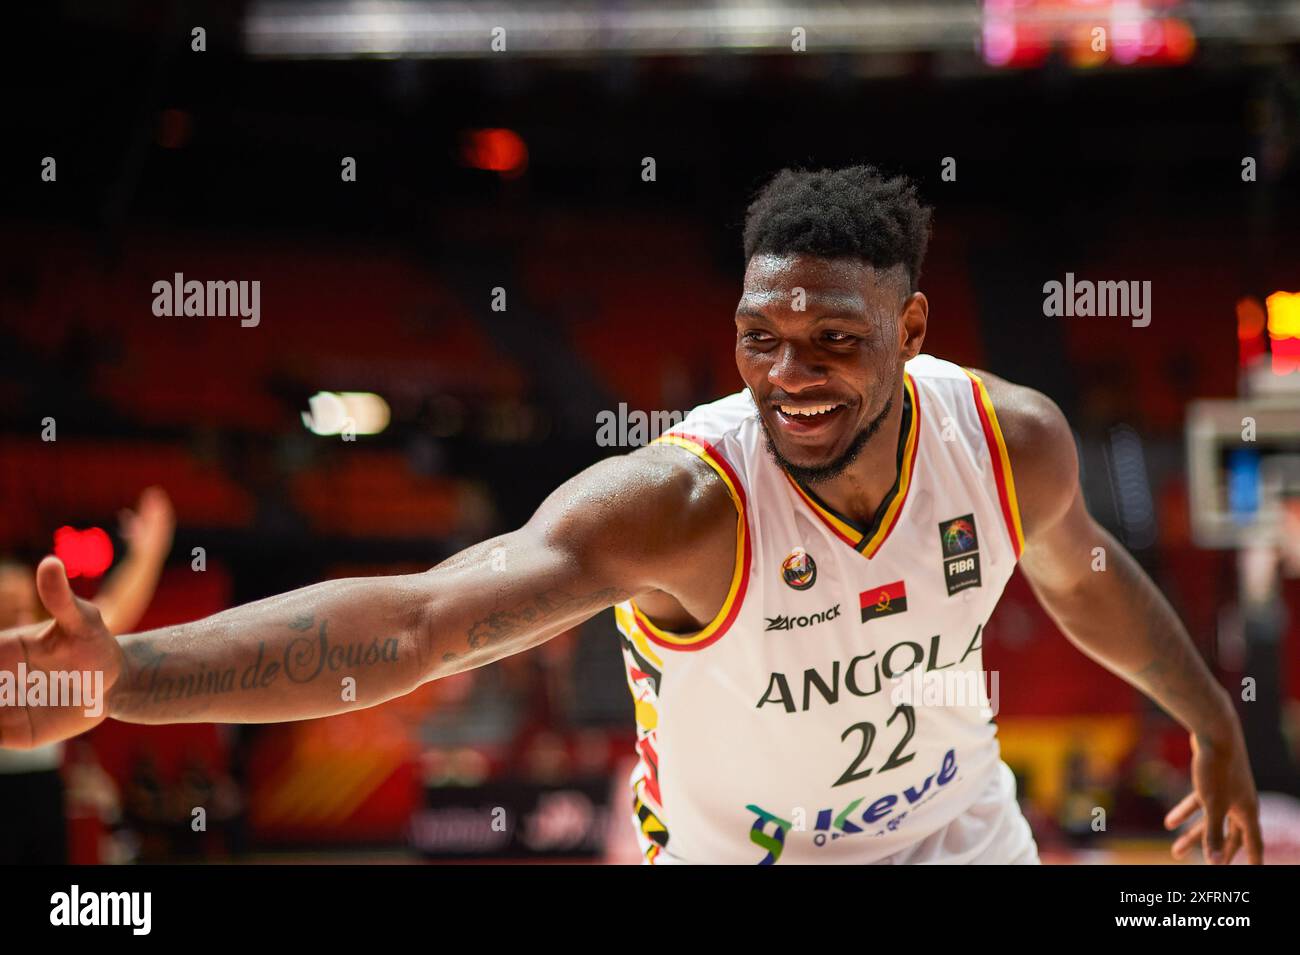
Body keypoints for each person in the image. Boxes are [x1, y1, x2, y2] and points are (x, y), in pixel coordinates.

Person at [0, 166, 1262, 865]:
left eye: (835, 340)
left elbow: (1085, 574)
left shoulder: (1007, 439)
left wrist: (1208, 717)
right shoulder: (680, 504)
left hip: (956, 834)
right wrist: (128, 676)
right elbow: (425, 620)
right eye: (760, 340)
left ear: (913, 331)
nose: (791, 375)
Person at [0, 487, 174, 863]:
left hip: (41, 789)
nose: (17, 618)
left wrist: (148, 554)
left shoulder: (49, 644)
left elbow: (114, 610)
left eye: (22, 606)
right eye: (5, 608)